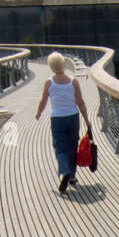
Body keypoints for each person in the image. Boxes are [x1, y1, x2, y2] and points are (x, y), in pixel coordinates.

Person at [34, 52, 91, 193]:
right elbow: (80, 102)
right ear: (63, 64)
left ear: (51, 66)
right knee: (72, 147)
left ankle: (65, 170)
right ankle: (72, 177)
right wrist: (87, 120)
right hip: (72, 117)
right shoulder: (73, 81)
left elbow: (43, 101)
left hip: (57, 118)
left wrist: (39, 112)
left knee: (60, 147)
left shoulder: (49, 82)